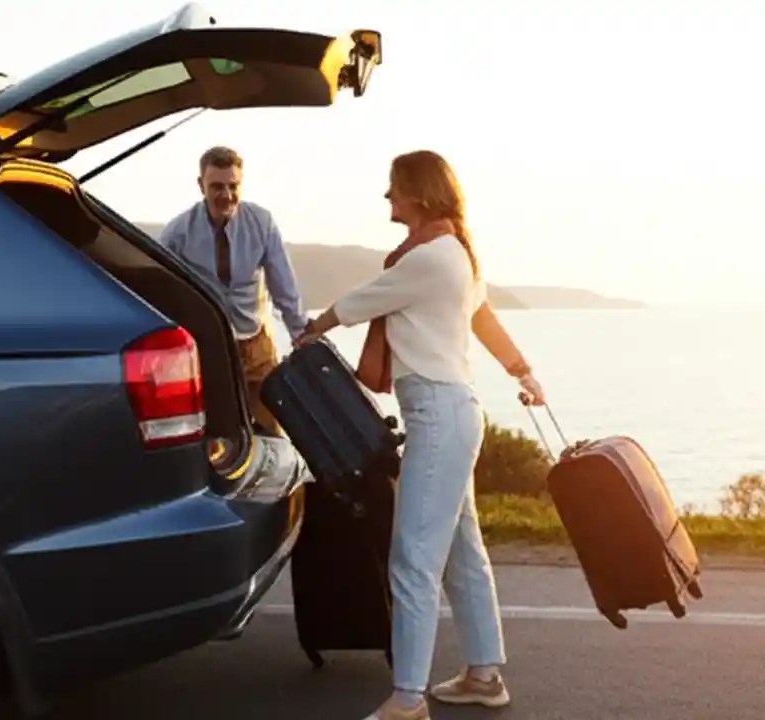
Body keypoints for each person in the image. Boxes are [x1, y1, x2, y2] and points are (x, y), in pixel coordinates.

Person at [293, 150, 546, 720]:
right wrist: (522, 370)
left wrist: (312, 329)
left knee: (412, 560)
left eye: (393, 189)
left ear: (420, 195)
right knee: (462, 551)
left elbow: (359, 302)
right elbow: (484, 321)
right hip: (453, 412)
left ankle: (408, 700)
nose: (387, 198)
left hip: (438, 414)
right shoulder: (456, 255)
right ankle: (483, 674)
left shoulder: (428, 259)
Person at [159, 146, 309, 433]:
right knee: (220, 435)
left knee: (272, 431)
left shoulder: (261, 223)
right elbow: (161, 294)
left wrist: (301, 336)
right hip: (208, 347)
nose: (226, 195)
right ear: (200, 185)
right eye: (216, 186)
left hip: (255, 345)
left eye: (233, 186)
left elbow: (284, 288)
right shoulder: (177, 233)